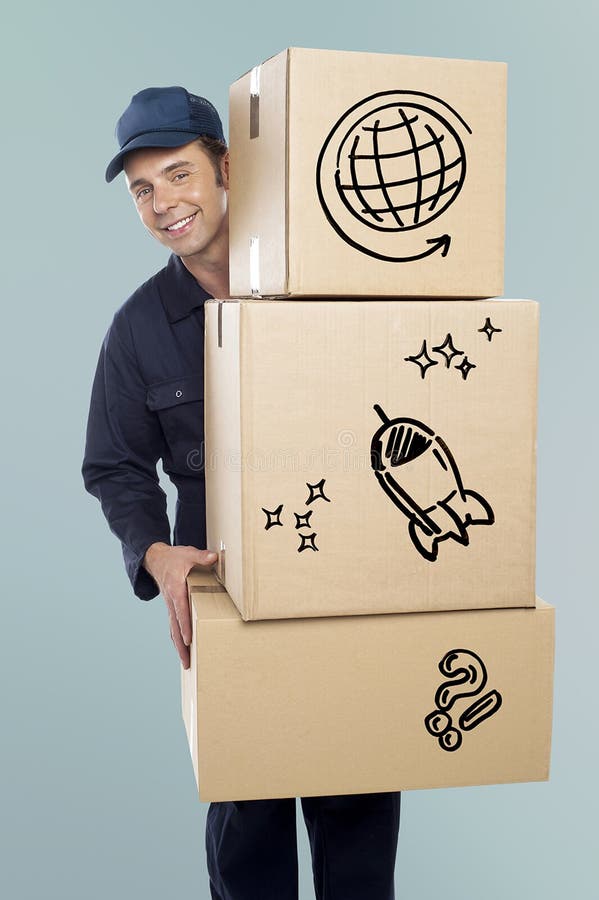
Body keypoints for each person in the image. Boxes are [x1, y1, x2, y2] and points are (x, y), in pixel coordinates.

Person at [82, 85, 401, 900]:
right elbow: (114, 463)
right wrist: (154, 554)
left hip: (348, 598)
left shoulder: (328, 288)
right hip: (229, 605)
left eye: (179, 174)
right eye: (143, 190)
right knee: (247, 843)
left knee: (358, 831)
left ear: (226, 167)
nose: (164, 204)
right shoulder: (138, 328)